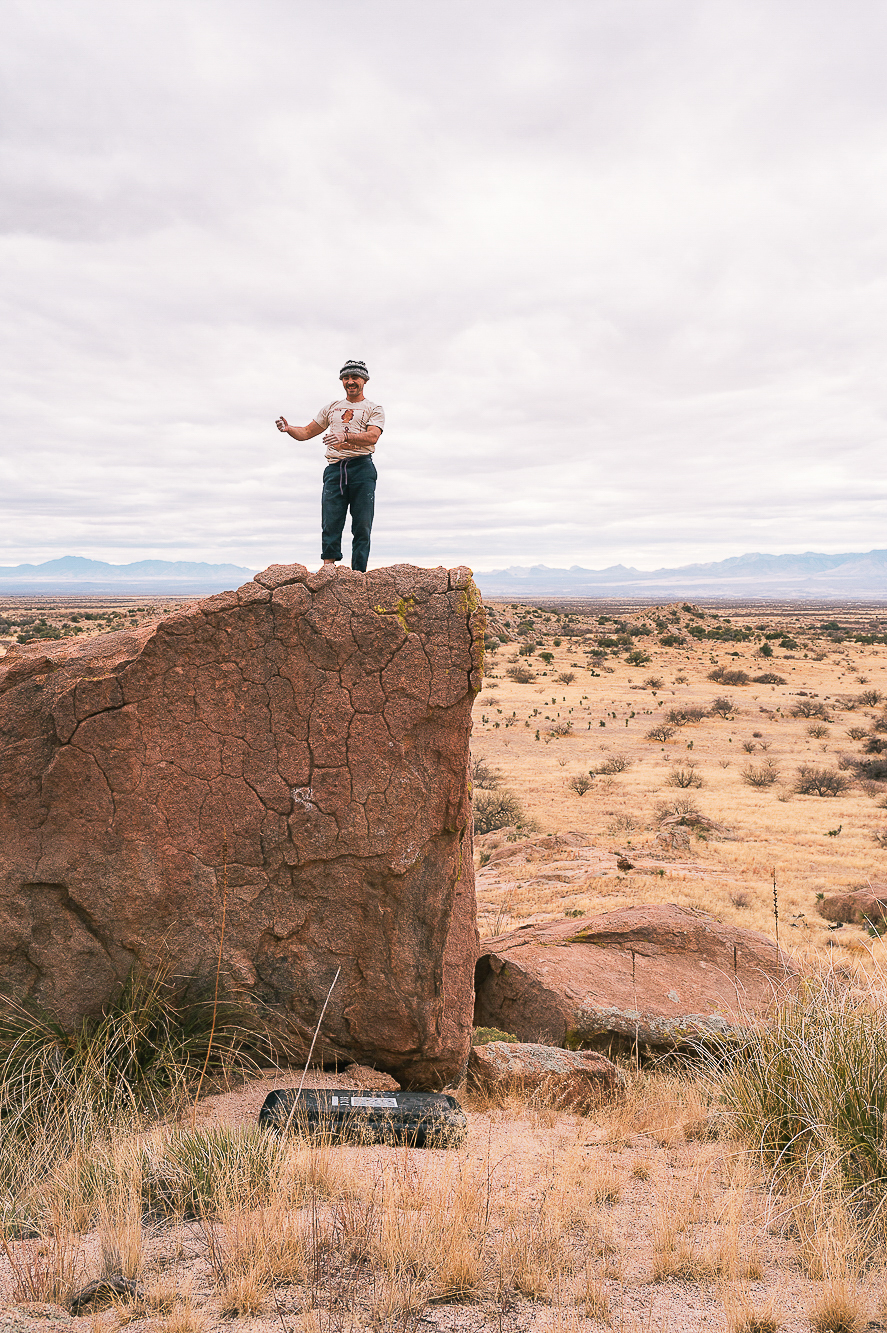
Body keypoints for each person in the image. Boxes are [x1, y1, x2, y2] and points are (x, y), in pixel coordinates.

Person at [275, 360, 385, 572]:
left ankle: (358, 573)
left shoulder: (373, 408)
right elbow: (307, 432)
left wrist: (345, 436)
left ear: (364, 380)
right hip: (335, 468)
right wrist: (289, 429)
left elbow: (373, 437)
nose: (350, 382)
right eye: (346, 378)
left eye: (355, 378)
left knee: (362, 524)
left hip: (362, 467)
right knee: (330, 520)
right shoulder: (332, 408)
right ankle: (328, 569)